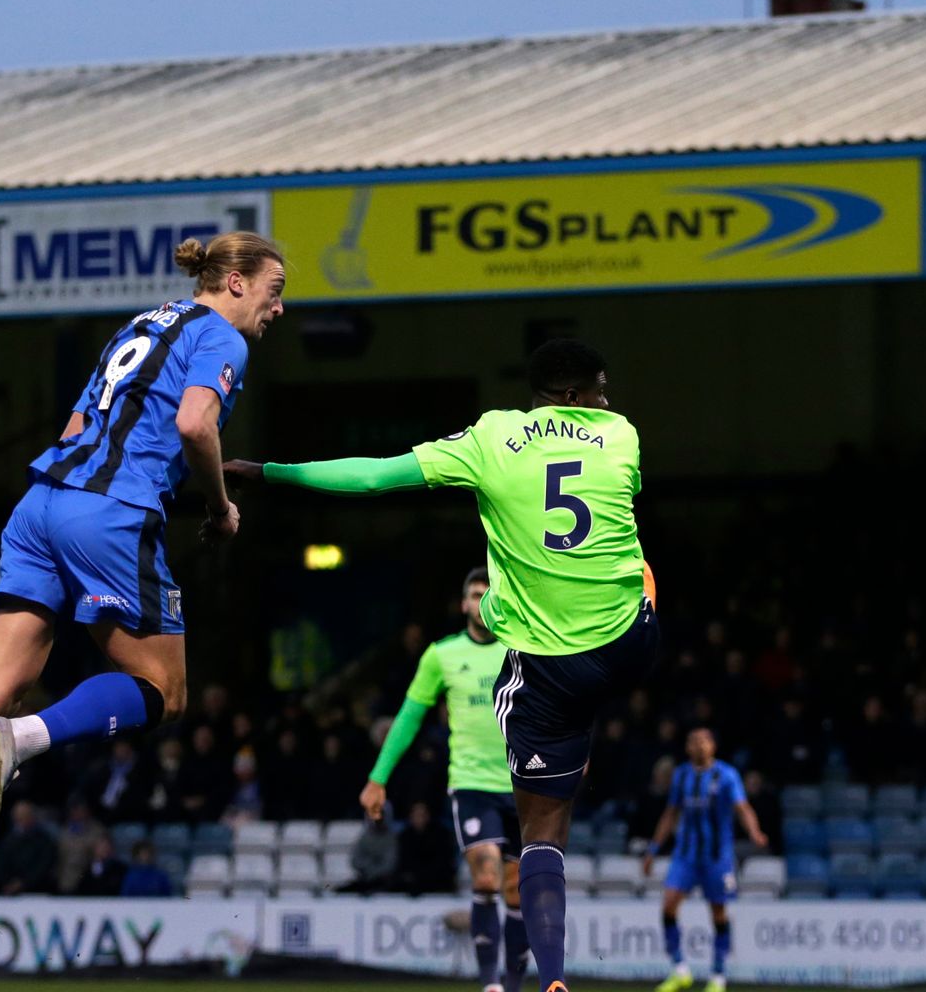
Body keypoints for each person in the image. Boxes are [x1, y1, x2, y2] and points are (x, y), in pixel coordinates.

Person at [0, 232, 285, 951]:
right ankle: (20, 742)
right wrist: (217, 507)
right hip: (109, 515)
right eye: (273, 294)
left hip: (41, 504)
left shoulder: (142, 325)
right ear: (234, 282)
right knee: (163, 691)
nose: (276, 312)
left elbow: (78, 424)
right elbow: (194, 423)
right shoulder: (221, 340)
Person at [229, 338, 657, 992]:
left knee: (541, 834)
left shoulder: (490, 438)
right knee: (642, 575)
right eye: (598, 390)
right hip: (629, 646)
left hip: (549, 665)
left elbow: (373, 477)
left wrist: (270, 473)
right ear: (574, 396)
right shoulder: (621, 436)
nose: (606, 402)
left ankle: (552, 977)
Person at [362, 568, 531, 992]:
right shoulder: (442, 655)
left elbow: (558, 703)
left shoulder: (523, 648)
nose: (479, 602)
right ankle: (491, 985)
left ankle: (512, 986)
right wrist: (377, 778)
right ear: (463, 604)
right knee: (487, 878)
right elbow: (409, 717)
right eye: (473, 595)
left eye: (486, 594)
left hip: (523, 785)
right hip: (472, 784)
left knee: (516, 891)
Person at [645, 728, 769, 992]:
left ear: (713, 745)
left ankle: (718, 977)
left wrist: (754, 831)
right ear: (688, 748)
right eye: (693, 742)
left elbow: (742, 808)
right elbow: (670, 813)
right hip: (685, 856)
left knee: (719, 914)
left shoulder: (726, 775)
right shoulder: (681, 775)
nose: (699, 746)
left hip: (717, 858)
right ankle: (679, 970)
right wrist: (653, 848)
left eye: (704, 741)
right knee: (668, 906)